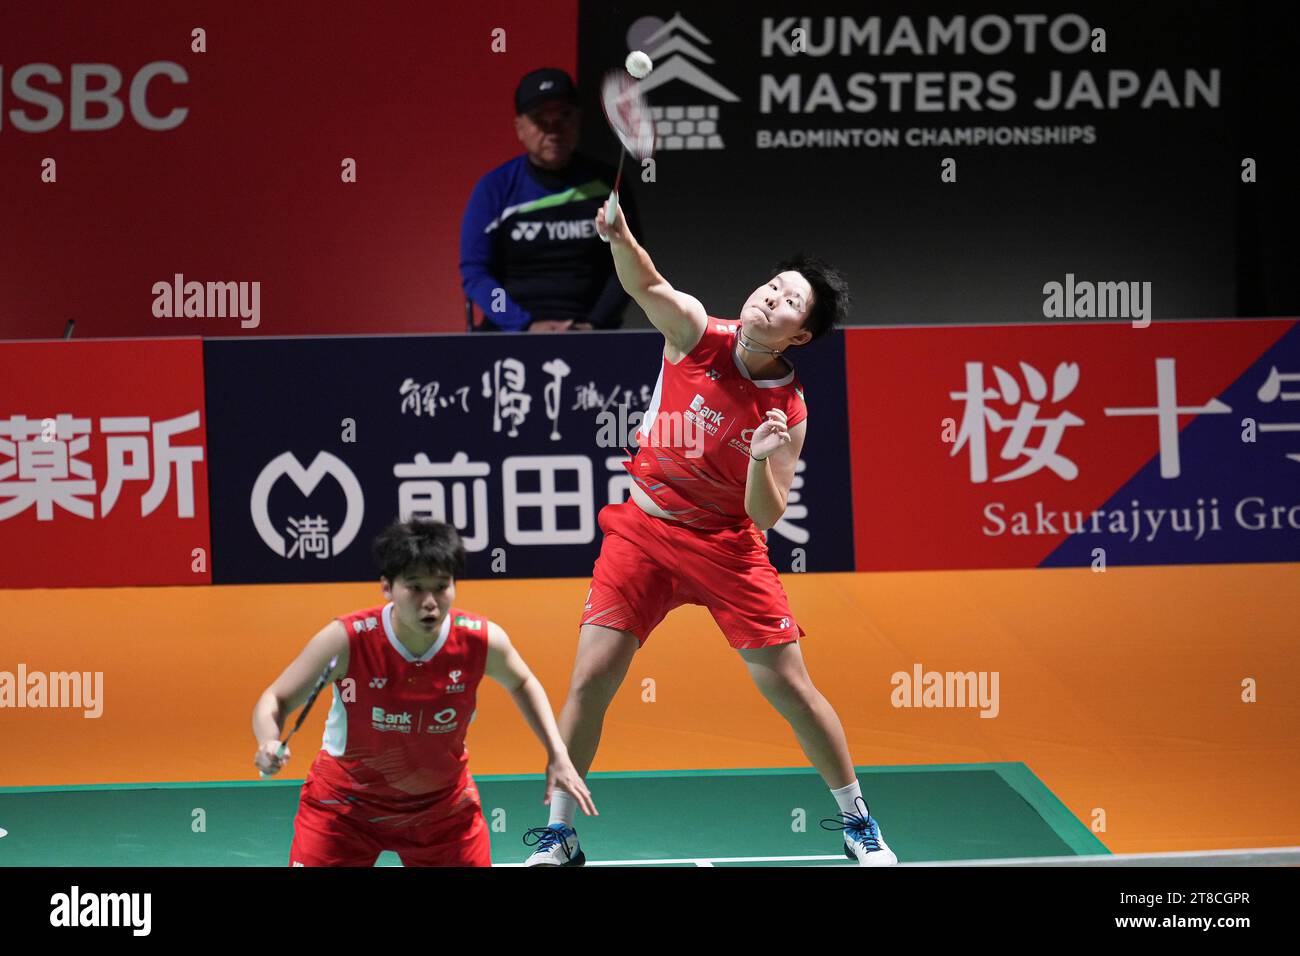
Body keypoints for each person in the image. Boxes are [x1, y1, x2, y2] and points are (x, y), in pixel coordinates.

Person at [521, 202, 897, 867]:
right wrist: (621, 237)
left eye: (789, 303)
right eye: (772, 286)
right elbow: (648, 285)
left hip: (725, 545)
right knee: (590, 681)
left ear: (800, 335)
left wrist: (759, 455)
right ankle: (559, 833)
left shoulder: (790, 410)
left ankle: (856, 821)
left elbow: (766, 514)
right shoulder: (696, 333)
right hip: (642, 533)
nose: (771, 299)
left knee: (790, 688)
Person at [253, 517, 594, 866]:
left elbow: (522, 682)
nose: (430, 601)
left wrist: (557, 752)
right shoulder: (347, 639)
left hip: (442, 811)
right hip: (344, 808)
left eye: (441, 586)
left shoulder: (479, 640)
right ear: (387, 587)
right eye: (415, 587)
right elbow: (276, 699)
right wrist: (268, 740)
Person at [459, 67, 641, 333]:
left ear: (578, 120)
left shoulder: (609, 184)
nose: (554, 130)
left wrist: (593, 325)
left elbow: (629, 264)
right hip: (510, 335)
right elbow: (475, 271)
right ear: (520, 127)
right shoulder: (494, 188)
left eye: (564, 117)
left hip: (591, 335)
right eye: (541, 120)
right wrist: (524, 325)